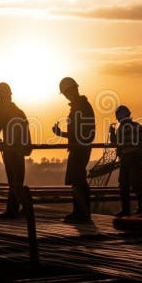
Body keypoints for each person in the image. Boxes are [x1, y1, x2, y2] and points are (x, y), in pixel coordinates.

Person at [0, 82, 34, 217]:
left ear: (7, 97)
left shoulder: (7, 111)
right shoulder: (16, 111)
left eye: (1, 98)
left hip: (14, 151)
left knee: (15, 181)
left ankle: (22, 206)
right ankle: (13, 209)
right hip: (14, 150)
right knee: (14, 181)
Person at [52, 77, 95, 223]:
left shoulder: (82, 107)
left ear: (72, 91)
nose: (66, 96)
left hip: (80, 149)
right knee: (77, 180)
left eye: (66, 93)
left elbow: (86, 132)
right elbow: (77, 133)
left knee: (79, 180)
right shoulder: (79, 106)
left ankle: (82, 214)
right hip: (78, 148)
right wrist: (62, 134)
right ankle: (79, 212)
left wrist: (78, 143)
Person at [110, 105, 142, 216]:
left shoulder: (121, 129)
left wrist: (111, 132)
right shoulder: (138, 127)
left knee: (124, 185)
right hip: (135, 158)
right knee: (136, 185)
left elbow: (116, 143)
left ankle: (127, 210)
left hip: (128, 159)